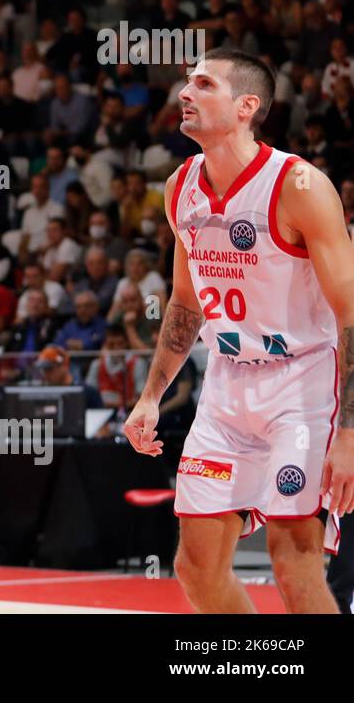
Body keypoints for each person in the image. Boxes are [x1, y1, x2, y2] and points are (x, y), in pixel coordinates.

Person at [125, 48, 354, 614]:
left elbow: (351, 314)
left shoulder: (299, 185)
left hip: (302, 384)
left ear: (247, 106)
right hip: (227, 384)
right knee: (196, 568)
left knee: (293, 563)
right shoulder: (181, 186)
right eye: (186, 82)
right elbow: (185, 303)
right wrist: (151, 395)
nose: (185, 92)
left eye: (204, 84)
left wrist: (349, 433)